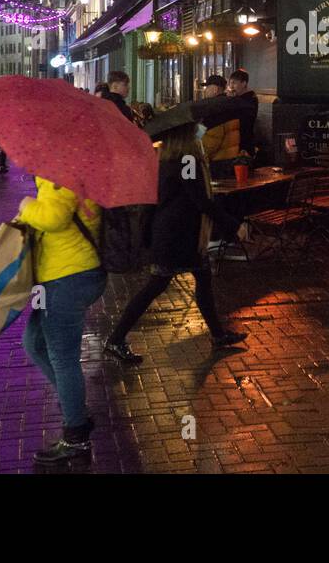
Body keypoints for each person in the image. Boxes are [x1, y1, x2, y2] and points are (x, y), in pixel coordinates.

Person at [103, 118, 249, 365]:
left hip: (174, 235)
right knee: (156, 286)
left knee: (202, 279)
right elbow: (200, 201)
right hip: (178, 237)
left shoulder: (165, 160)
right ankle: (116, 338)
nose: (199, 132)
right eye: (194, 130)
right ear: (186, 135)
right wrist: (234, 225)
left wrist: (147, 234)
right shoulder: (187, 161)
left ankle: (218, 333)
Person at [16, 176, 108, 465]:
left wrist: (27, 205)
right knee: (34, 342)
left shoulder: (62, 172)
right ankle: (76, 411)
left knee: (62, 357)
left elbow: (54, 217)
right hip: (68, 273)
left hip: (67, 276)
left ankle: (76, 437)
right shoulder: (75, 168)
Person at [197, 75, 239, 176]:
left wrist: (200, 156)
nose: (205, 90)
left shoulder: (215, 109)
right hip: (232, 159)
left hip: (219, 163)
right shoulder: (229, 104)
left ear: (215, 89)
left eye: (207, 87)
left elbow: (212, 140)